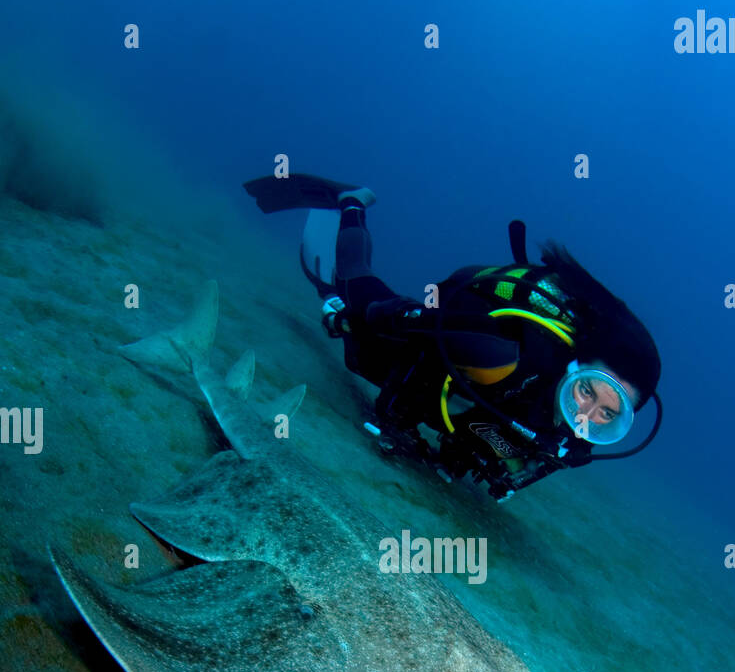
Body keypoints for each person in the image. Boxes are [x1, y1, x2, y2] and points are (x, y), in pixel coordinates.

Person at [243, 172, 663, 500]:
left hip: (462, 386)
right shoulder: (506, 354)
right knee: (352, 294)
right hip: (436, 327)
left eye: (609, 414)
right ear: (575, 368)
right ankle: (351, 202)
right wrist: (355, 323)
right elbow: (412, 325)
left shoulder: (578, 442)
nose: (586, 417)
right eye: (588, 390)